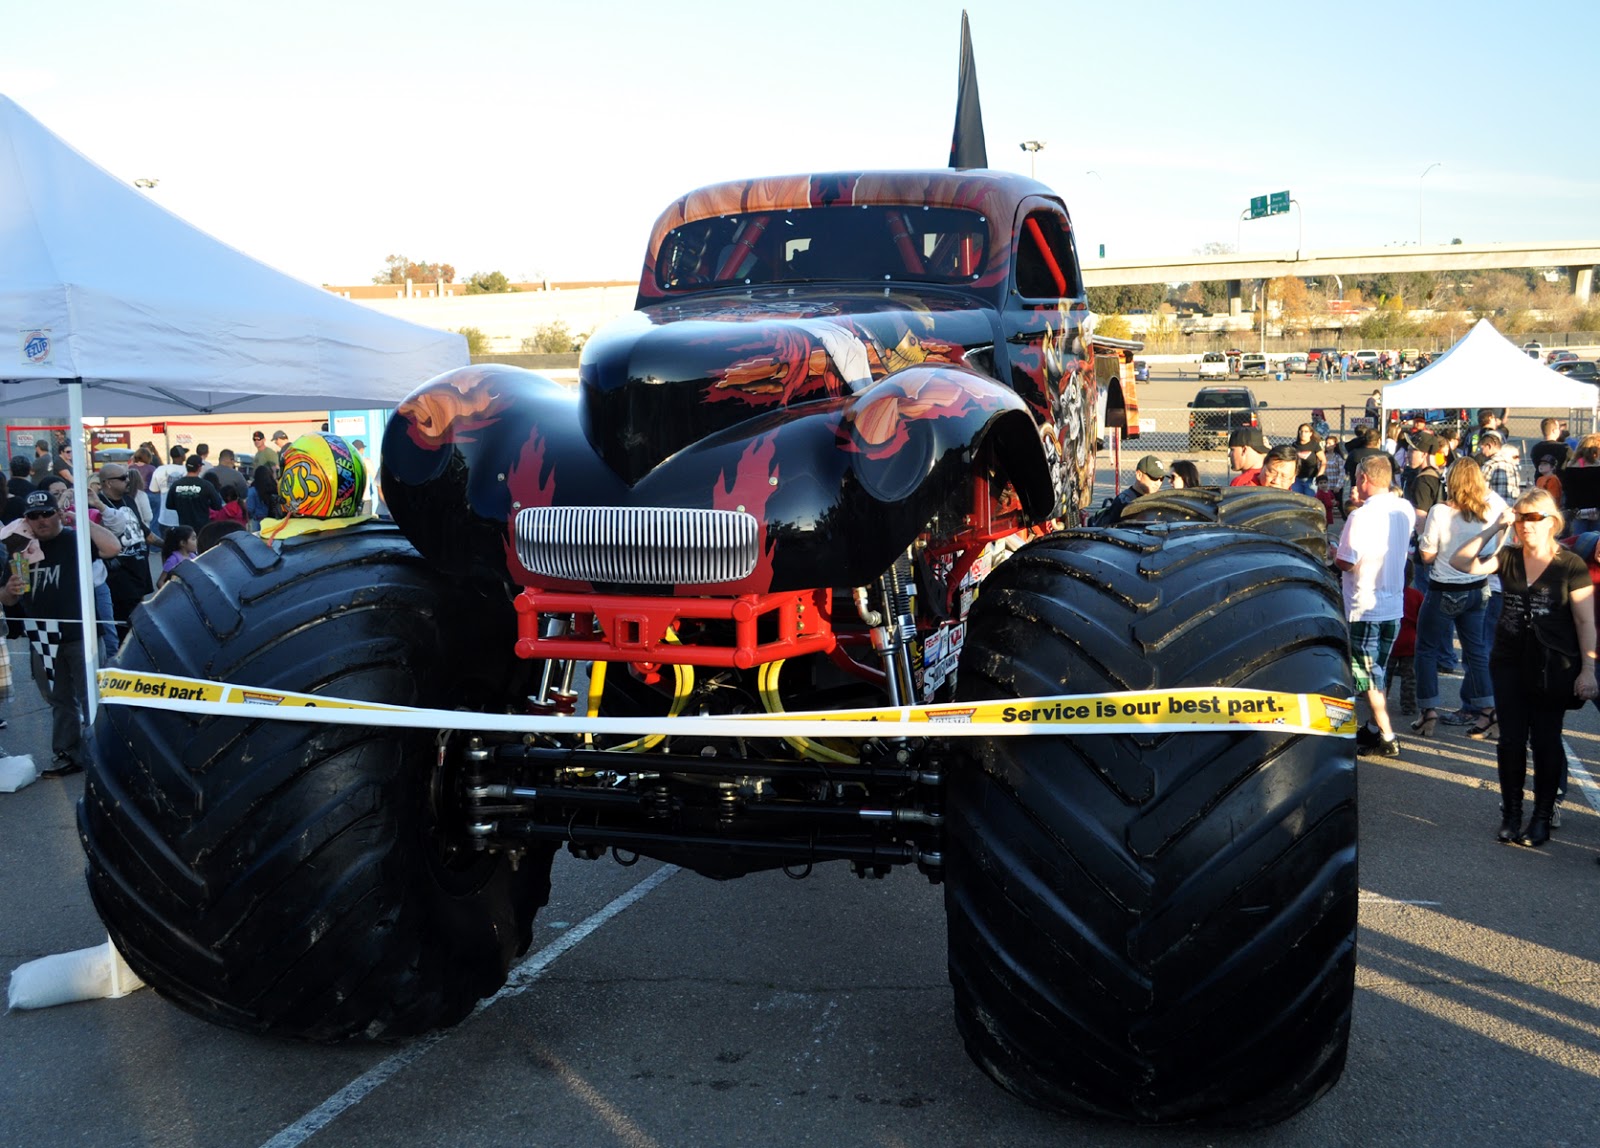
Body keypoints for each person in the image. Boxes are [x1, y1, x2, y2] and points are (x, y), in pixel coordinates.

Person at [1450, 488, 1599, 847]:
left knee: (1546, 741)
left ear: (1552, 522)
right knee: (1511, 741)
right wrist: (1494, 528)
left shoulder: (1571, 565)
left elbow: (1584, 622)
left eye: (1533, 518)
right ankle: (1512, 814)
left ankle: (1542, 818)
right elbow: (1460, 562)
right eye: (1520, 517)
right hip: (1509, 660)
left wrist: (1588, 671)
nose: (1525, 524)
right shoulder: (1509, 556)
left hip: (1554, 665)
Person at [0, 489, 123, 777]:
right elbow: (7, 598)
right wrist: (10, 590)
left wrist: (82, 520)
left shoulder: (74, 539)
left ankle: (105, 752)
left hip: (81, 633)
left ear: (57, 513)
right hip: (42, 637)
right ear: (26, 520)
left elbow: (112, 548)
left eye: (46, 513)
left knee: (93, 695)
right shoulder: (21, 548)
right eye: (34, 516)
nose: (41, 520)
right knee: (58, 699)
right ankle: (68, 753)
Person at [1411, 457, 1506, 740]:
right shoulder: (1487, 511)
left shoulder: (1441, 511)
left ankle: (1428, 710)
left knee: (1426, 649)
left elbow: (1427, 556)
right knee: (1476, 650)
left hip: (1445, 588)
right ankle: (1489, 710)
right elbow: (1491, 549)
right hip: (1477, 587)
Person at [1334, 453, 1415, 758]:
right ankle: (1370, 729)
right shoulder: (1404, 508)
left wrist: (1333, 552)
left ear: (1365, 479)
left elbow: (1346, 561)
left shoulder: (1360, 516)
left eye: (1356, 478)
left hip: (1364, 605)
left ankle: (1387, 734)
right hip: (1394, 602)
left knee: (1367, 676)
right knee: (1377, 671)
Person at [93, 462, 161, 627]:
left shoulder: (128, 500)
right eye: (123, 478)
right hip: (119, 577)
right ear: (108, 482)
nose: (128, 481)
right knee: (125, 625)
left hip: (139, 571)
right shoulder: (97, 506)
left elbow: (146, 533)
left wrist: (172, 545)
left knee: (140, 621)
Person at [1093, 455, 1165, 525]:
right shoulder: (1124, 502)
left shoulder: (1158, 498)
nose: (1158, 483)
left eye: (1161, 479)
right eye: (1154, 478)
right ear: (1139, 475)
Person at [166, 454, 223, 533]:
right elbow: (217, 505)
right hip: (202, 529)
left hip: (184, 529)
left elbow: (169, 505)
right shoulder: (206, 485)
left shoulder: (176, 484)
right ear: (199, 467)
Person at [149, 444, 188, 528]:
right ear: (182, 456)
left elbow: (154, 490)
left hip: (165, 518)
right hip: (185, 518)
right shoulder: (189, 470)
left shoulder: (160, 470)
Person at [1478, 432, 1520, 504]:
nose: (1481, 452)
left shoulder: (1489, 465)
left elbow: (1481, 490)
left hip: (1494, 508)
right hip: (1511, 507)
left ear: (1489, 446)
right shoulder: (1512, 465)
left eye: (1481, 448)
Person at [1291, 424, 1323, 497]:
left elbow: (1323, 461)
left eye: (1306, 431)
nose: (1303, 434)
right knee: (1297, 500)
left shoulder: (1314, 445)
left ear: (1310, 433)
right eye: (1301, 431)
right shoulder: (1294, 445)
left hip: (1311, 479)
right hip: (1297, 479)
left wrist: (1319, 475)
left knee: (1311, 501)